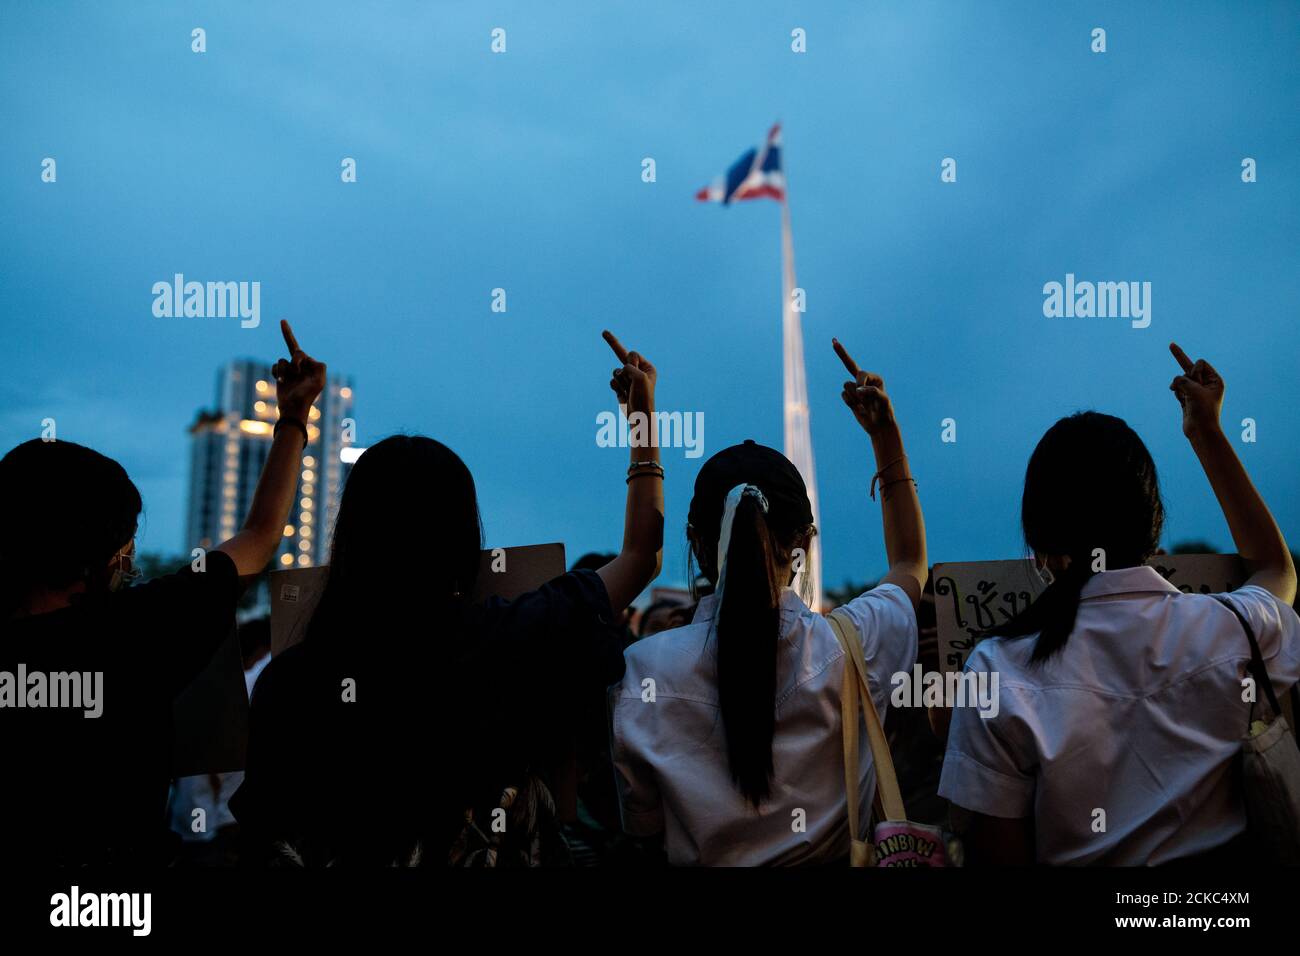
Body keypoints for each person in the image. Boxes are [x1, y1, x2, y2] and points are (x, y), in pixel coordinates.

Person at [230, 330, 664, 866]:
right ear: (463, 538)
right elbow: (642, 555)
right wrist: (641, 413)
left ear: (351, 539)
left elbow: (264, 839)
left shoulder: (291, 681)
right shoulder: (514, 636)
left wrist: (293, 418)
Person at [939, 344, 1300, 865]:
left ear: (1040, 544)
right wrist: (1207, 432)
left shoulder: (996, 672)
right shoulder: (1233, 631)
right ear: (1152, 528)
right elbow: (1276, 568)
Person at [0, 321, 325, 866]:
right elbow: (261, 535)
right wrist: (293, 415)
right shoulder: (134, 630)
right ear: (101, 561)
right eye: (125, 556)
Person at [610, 340, 927, 865]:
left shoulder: (643, 673)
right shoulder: (856, 648)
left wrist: (643, 422)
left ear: (695, 542)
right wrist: (885, 436)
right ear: (804, 542)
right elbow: (911, 563)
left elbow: (644, 829)